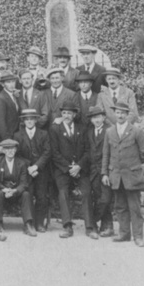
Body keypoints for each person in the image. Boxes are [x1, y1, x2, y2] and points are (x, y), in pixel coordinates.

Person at [102, 101, 144, 247]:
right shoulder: (109, 132)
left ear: (127, 114)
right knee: (120, 206)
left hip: (132, 176)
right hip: (116, 176)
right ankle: (124, 234)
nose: (120, 115)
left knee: (135, 208)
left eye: (123, 113)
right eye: (118, 112)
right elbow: (106, 155)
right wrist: (105, 173)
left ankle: (138, 236)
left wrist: (134, 164)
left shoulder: (136, 131)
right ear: (114, 114)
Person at [50, 101, 91, 239]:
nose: (66, 116)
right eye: (64, 113)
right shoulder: (55, 129)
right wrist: (69, 168)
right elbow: (54, 153)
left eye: (69, 113)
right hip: (62, 170)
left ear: (74, 115)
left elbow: (88, 151)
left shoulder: (82, 128)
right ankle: (67, 226)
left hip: (80, 169)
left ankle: (90, 227)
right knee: (63, 192)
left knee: (86, 192)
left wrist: (79, 166)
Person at [13, 109, 52, 232]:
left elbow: (47, 152)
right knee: (27, 195)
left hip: (41, 170)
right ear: (23, 121)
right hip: (26, 171)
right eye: (27, 119)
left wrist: (36, 166)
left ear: (36, 120)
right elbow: (17, 155)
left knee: (42, 196)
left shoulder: (44, 134)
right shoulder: (18, 135)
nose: (29, 121)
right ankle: (29, 223)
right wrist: (29, 167)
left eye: (31, 119)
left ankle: (39, 222)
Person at [0, 139, 34, 235]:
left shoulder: (21, 163)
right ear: (3, 150)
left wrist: (15, 191)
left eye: (12, 149)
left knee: (26, 194)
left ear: (15, 150)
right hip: (3, 190)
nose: (10, 151)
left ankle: (28, 224)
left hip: (16, 191)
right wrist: (4, 189)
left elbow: (24, 183)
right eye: (7, 149)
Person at [83, 106, 114, 238]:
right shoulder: (89, 131)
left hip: (106, 170)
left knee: (105, 199)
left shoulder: (110, 130)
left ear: (104, 117)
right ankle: (107, 226)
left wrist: (106, 171)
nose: (96, 120)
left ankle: (92, 221)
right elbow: (87, 150)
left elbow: (112, 152)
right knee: (97, 197)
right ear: (91, 120)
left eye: (99, 117)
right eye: (94, 118)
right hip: (93, 171)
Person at [0, 72, 22, 140]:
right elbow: (0, 123)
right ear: (3, 84)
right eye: (8, 82)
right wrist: (7, 139)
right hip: (8, 137)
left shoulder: (14, 95)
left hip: (16, 135)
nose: (11, 85)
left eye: (13, 81)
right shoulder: (0, 99)